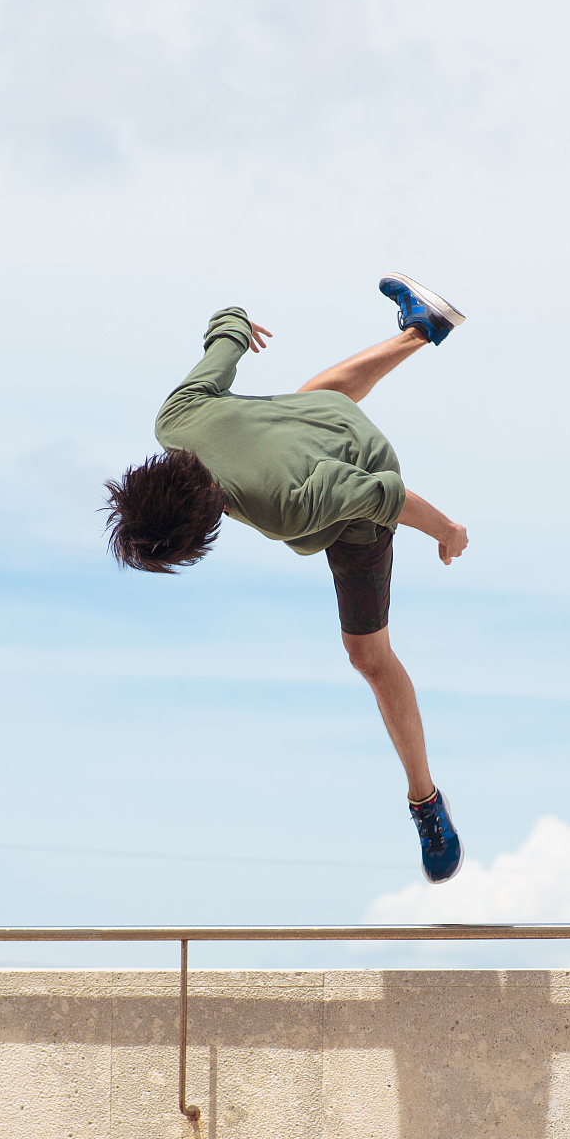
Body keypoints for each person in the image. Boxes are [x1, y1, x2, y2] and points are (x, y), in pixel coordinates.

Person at [104, 275, 471, 881]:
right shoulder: (177, 417)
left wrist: (447, 532)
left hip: (362, 472)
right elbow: (228, 328)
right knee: (309, 400)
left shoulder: (288, 507)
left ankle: (425, 800)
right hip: (316, 419)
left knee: (368, 657)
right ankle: (421, 329)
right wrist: (239, 327)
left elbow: (385, 496)